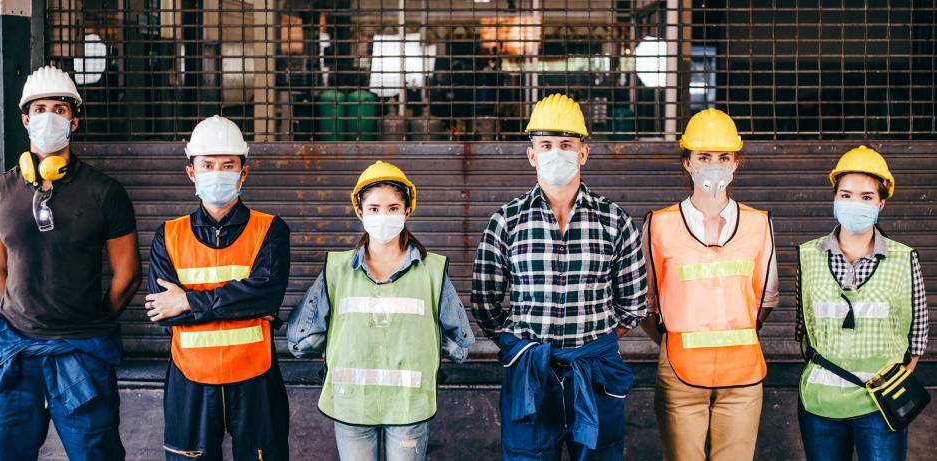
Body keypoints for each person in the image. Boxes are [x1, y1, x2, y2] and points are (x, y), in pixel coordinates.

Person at [0, 65, 141, 461]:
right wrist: (30, 312)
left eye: (59, 109)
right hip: (14, 354)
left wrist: (87, 320)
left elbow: (129, 274)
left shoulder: (104, 192)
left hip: (81, 356)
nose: (49, 116)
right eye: (40, 108)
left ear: (74, 121)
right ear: (25, 119)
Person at [471, 93, 643, 461]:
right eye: (546, 145)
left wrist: (592, 343)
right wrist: (520, 345)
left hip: (595, 374)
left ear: (584, 153)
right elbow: (485, 303)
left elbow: (633, 305)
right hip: (530, 374)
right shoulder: (506, 221)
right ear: (531, 154)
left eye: (566, 145)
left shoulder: (615, 221)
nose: (556, 153)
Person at [287, 160, 474, 461]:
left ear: (407, 211)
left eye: (392, 208)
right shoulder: (336, 269)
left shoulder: (432, 270)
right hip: (352, 406)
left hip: (407, 408)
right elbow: (459, 346)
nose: (383, 216)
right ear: (359, 212)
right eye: (374, 208)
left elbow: (301, 342)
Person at [146, 115, 290, 461]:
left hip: (255, 376)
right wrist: (241, 303)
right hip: (190, 379)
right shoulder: (168, 235)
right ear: (191, 172)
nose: (217, 173)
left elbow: (266, 296)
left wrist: (188, 302)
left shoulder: (270, 230)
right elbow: (164, 313)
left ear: (244, 172)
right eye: (207, 165)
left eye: (228, 165)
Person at [640, 108, 779, 461]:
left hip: (743, 375)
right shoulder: (659, 225)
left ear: (736, 163)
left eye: (723, 157)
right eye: (704, 157)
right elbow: (646, 304)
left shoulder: (758, 224)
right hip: (679, 371)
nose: (714, 165)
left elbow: (765, 300)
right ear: (687, 163)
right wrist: (672, 342)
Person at [796, 146, 927, 461]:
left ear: (881, 203)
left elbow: (918, 337)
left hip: (880, 408)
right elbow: (803, 329)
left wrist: (890, 386)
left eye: (866, 197)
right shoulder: (808, 256)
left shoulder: (904, 259)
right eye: (846, 195)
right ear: (835, 198)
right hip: (819, 405)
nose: (855, 203)